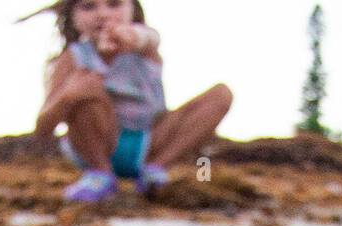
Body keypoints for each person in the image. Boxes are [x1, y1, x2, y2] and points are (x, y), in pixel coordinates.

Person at [28, 0, 233, 202]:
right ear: (72, 17)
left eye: (114, 4)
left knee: (221, 95)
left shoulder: (145, 48)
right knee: (88, 93)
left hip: (150, 142)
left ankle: (154, 170)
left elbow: (151, 37)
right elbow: (42, 129)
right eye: (89, 6)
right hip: (96, 146)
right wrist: (68, 96)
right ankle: (100, 175)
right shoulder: (72, 58)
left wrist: (134, 37)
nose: (103, 14)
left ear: (132, 9)